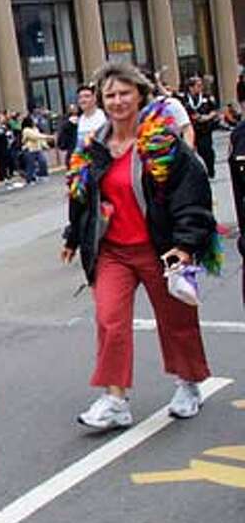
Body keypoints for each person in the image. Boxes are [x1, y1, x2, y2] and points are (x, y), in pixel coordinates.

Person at [63, 62, 217, 429]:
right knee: (109, 320)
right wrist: (73, 234)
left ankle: (188, 383)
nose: (117, 101)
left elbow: (190, 196)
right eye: (110, 94)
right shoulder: (93, 147)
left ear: (140, 95)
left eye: (124, 93)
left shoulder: (163, 144)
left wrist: (185, 244)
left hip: (158, 248)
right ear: (100, 99)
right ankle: (115, 400)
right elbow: (81, 197)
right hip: (113, 251)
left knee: (175, 318)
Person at [182, 75, 219, 178]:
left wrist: (206, 117)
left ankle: (210, 169)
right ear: (191, 87)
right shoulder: (184, 99)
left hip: (205, 129)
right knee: (190, 152)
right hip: (191, 130)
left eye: (201, 85)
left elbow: (214, 111)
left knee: (206, 150)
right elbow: (168, 94)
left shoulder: (206, 97)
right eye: (198, 86)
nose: (200, 87)